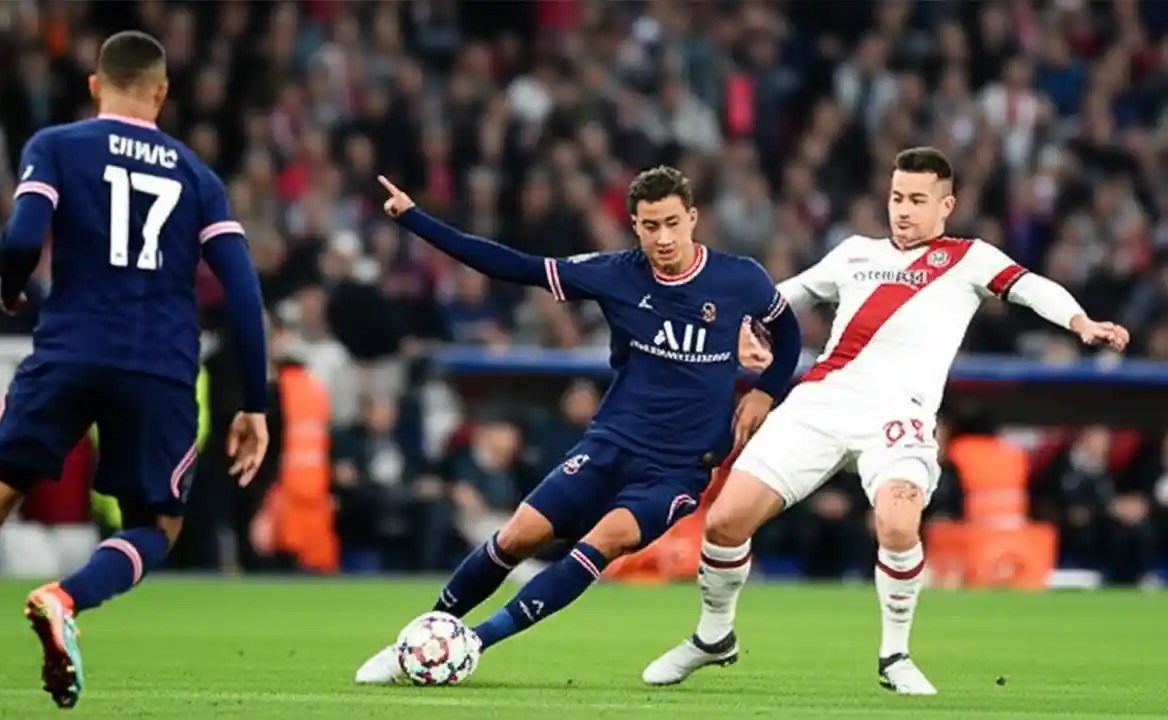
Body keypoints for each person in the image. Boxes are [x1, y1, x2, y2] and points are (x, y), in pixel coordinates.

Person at [642, 146, 1130, 695]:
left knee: (898, 523)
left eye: (917, 200)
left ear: (946, 205)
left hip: (900, 416)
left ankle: (894, 655)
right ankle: (713, 637)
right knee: (724, 523)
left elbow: (1031, 287)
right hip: (822, 402)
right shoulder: (853, 253)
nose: (903, 210)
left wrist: (1079, 320)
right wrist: (743, 324)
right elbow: (788, 296)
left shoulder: (969, 258)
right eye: (897, 197)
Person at [0, 31, 269, 717]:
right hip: (160, 367)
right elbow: (243, 293)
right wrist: (257, 404)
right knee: (157, 526)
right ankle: (65, 598)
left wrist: (10, 288)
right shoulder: (197, 176)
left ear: (96, 86)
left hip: (71, 349)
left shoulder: (57, 145)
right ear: (161, 92)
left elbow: (24, 237)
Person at [355, 166, 803, 683]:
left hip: (677, 469)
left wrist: (765, 393)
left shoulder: (739, 278)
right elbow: (512, 267)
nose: (662, 238)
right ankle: (422, 637)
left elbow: (787, 335)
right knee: (517, 537)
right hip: (611, 442)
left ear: (693, 219)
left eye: (672, 223)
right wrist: (415, 219)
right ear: (634, 225)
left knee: (602, 542)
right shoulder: (615, 273)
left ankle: (473, 643)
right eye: (650, 225)